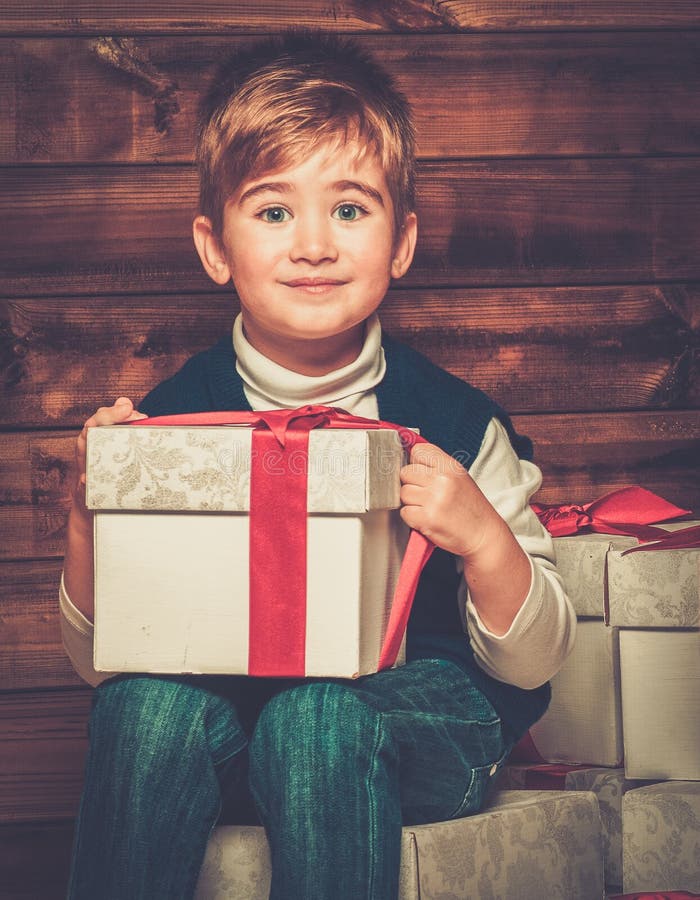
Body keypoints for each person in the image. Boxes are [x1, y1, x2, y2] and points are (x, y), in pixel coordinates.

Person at [61, 31, 576, 900]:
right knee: (139, 708)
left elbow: (536, 661)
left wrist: (485, 540)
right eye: (272, 212)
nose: (312, 245)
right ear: (214, 247)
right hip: (235, 723)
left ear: (401, 241)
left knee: (319, 717)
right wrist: (90, 510)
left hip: (418, 723)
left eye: (349, 209)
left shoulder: (456, 424)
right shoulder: (168, 426)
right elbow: (102, 661)